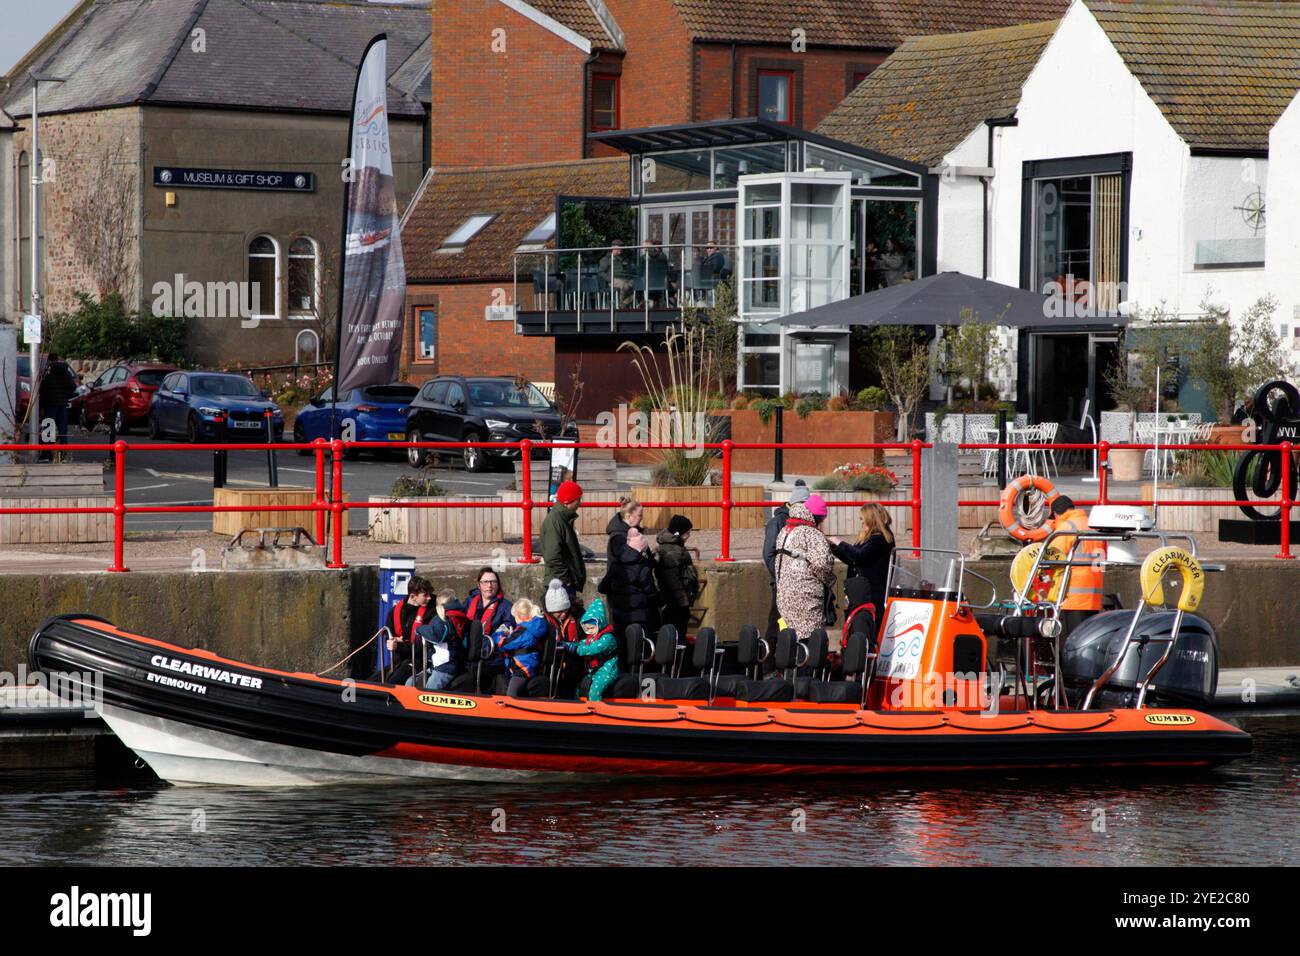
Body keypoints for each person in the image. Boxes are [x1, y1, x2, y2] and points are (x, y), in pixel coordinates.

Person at [773, 495, 837, 640]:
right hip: (806, 595)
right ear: (817, 517)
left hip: (784, 593)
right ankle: (808, 662)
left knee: (790, 637)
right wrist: (830, 580)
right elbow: (822, 564)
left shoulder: (785, 530)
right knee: (810, 638)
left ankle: (790, 661)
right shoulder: (813, 534)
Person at [1048, 495, 1107, 635]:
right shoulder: (1093, 526)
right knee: (1090, 639)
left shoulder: (1067, 527)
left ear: (1056, 513)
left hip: (1073, 597)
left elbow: (1051, 557)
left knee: (1074, 641)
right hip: (1094, 596)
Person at [602, 497, 660, 633]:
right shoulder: (619, 537)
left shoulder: (633, 535)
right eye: (639, 515)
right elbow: (629, 561)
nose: (641, 518)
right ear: (628, 516)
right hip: (626, 591)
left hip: (632, 591)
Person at [828, 503, 895, 617]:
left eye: (863, 519)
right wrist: (836, 549)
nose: (862, 522)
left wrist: (840, 542)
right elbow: (853, 559)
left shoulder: (880, 539)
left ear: (872, 519)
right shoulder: (869, 537)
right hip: (860, 590)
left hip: (872, 593)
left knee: (868, 623)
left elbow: (860, 556)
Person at [763, 481, 809, 640]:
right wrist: (780, 575)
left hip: (797, 581)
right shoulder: (777, 522)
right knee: (776, 622)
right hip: (781, 582)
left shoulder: (802, 520)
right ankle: (769, 661)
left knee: (792, 623)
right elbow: (768, 553)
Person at [369, 575, 435, 685]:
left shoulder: (430, 613)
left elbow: (422, 644)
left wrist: (400, 645)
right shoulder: (395, 611)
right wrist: (391, 640)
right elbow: (388, 634)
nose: (429, 598)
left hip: (417, 660)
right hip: (398, 659)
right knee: (373, 681)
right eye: (425, 595)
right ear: (413, 596)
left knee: (392, 682)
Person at [561, 597, 620, 702]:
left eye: (592, 627)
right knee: (578, 689)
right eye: (586, 628)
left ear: (600, 623)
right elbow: (580, 643)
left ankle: (597, 712)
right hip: (593, 670)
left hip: (607, 671)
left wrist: (576, 649)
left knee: (594, 691)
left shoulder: (608, 638)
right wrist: (567, 645)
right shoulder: (591, 637)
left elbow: (594, 649)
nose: (589, 631)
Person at [488, 598, 548, 697]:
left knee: (511, 694)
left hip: (522, 668)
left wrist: (499, 634)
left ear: (519, 616)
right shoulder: (534, 626)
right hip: (530, 664)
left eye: (514, 617)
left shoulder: (524, 630)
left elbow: (504, 644)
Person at [414, 590, 470, 690]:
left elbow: (437, 636)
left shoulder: (442, 618)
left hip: (444, 667)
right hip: (453, 664)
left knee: (428, 693)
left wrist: (419, 629)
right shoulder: (461, 617)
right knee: (412, 681)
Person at [655, 514, 699, 641]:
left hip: (677, 599)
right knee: (676, 633)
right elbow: (672, 580)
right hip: (675, 602)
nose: (689, 536)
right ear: (679, 533)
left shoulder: (675, 547)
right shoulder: (672, 552)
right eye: (687, 533)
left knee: (677, 632)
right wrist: (682, 602)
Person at [541, 480, 586, 603]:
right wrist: (566, 579)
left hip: (561, 582)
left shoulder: (561, 519)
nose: (579, 503)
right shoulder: (556, 521)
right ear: (568, 501)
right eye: (578, 499)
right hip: (560, 584)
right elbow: (552, 556)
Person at [542, 578, 583, 698]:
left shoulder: (580, 616)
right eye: (558, 612)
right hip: (553, 669)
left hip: (575, 666)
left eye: (565, 610)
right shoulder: (543, 621)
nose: (563, 614)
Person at [37, 353, 79, 461]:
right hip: (62, 404)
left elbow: (43, 391)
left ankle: (46, 455)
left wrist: (41, 406)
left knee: (48, 431)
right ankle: (63, 455)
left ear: (49, 361)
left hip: (50, 405)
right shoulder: (65, 372)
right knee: (63, 430)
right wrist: (65, 395)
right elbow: (73, 387)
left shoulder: (47, 373)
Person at [465, 567, 513, 634]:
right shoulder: (469, 601)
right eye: (485, 582)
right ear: (479, 585)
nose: (489, 585)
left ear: (498, 585)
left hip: (491, 642)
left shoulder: (506, 606)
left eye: (493, 582)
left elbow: (509, 627)